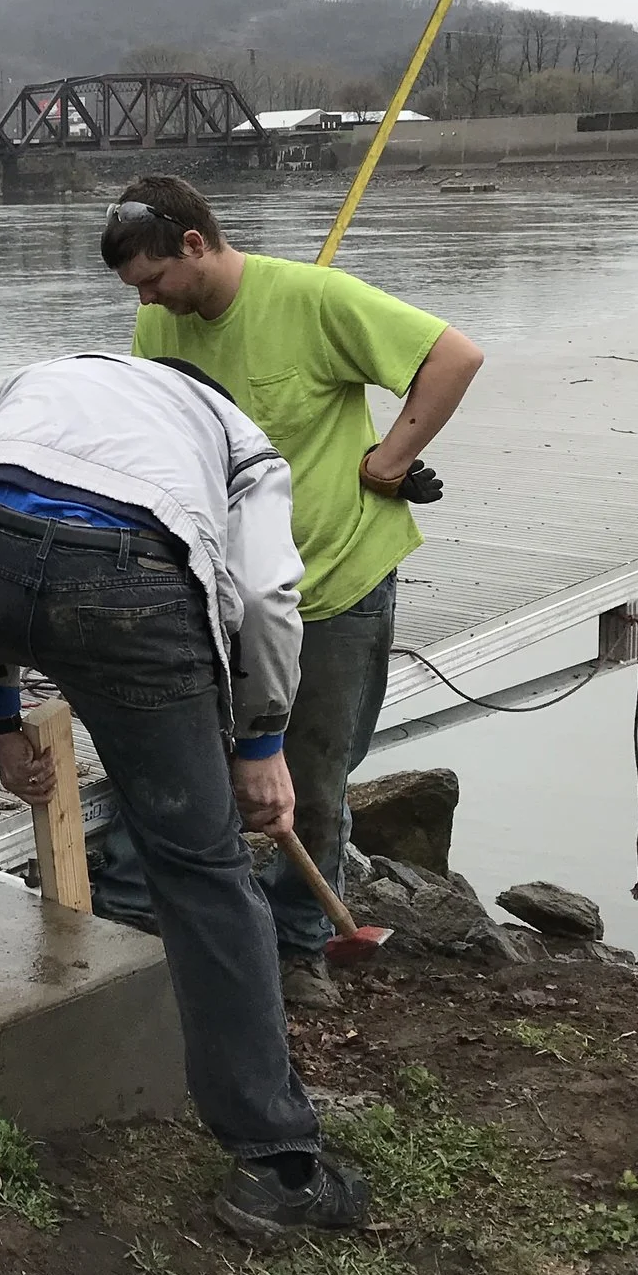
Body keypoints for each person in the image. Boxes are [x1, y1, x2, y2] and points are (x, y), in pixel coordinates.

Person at [0, 349, 370, 1249]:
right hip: (132, 583)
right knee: (200, 865)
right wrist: (261, 741)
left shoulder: (41, 376)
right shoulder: (242, 441)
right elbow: (264, 591)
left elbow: (3, 519)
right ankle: (277, 1165)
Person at [101, 174, 484, 1009]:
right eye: (138, 290)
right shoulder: (159, 319)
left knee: (314, 775)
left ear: (195, 244)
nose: (149, 300)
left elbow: (454, 356)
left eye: (155, 279)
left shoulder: (312, 300)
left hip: (337, 581)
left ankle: (300, 945)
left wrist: (388, 459)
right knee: (197, 757)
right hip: (221, 588)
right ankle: (175, 921)